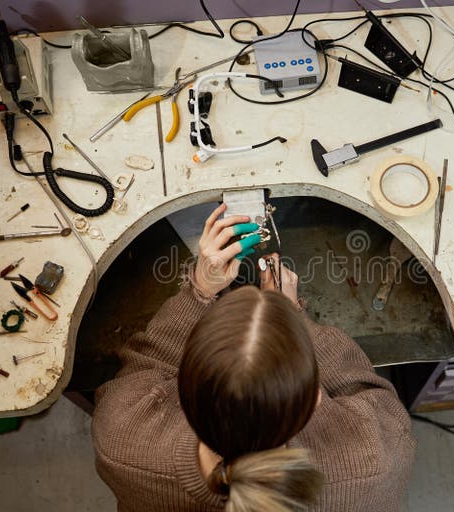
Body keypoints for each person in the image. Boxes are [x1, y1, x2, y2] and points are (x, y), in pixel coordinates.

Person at [92, 203, 415, 511]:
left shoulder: (122, 437)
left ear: (181, 390)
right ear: (316, 398)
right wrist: (292, 316)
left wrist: (200, 290)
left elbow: (147, 367)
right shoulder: (377, 454)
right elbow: (362, 388)